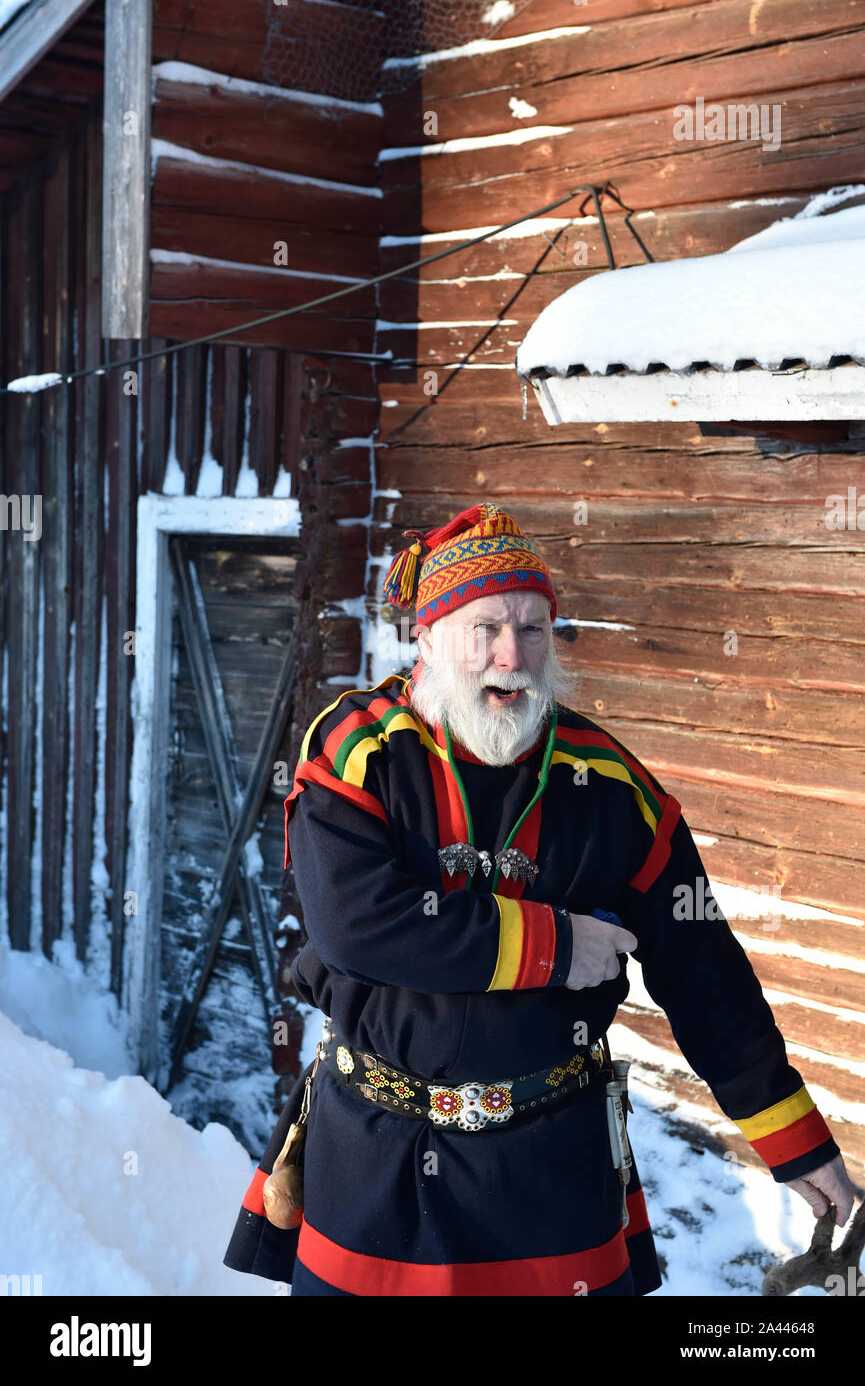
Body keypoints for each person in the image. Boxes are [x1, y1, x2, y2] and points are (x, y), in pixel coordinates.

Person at [223, 501, 855, 1296]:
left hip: (553, 1166)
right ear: (427, 636)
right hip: (375, 1161)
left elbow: (702, 969)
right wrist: (555, 946)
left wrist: (793, 1141)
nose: (511, 654)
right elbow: (358, 927)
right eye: (484, 627)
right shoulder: (358, 751)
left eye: (532, 628)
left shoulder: (610, 784)